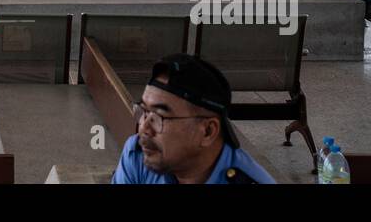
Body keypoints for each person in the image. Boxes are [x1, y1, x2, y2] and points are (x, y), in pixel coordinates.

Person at [112, 54, 275, 185]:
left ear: (208, 131)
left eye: (159, 117)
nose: (144, 129)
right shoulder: (138, 155)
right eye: (144, 112)